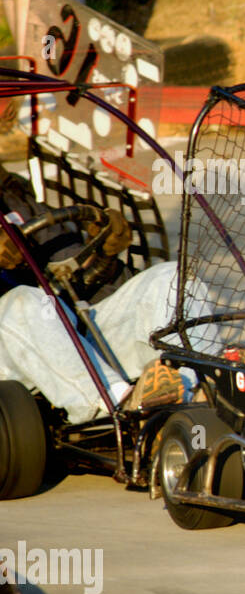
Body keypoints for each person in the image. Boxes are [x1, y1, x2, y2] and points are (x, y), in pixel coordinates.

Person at [0, 164, 187, 423]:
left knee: (169, 277)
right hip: (13, 347)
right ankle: (121, 406)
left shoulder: (13, 194)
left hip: (70, 336)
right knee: (24, 302)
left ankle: (191, 393)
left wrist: (104, 255)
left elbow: (70, 273)